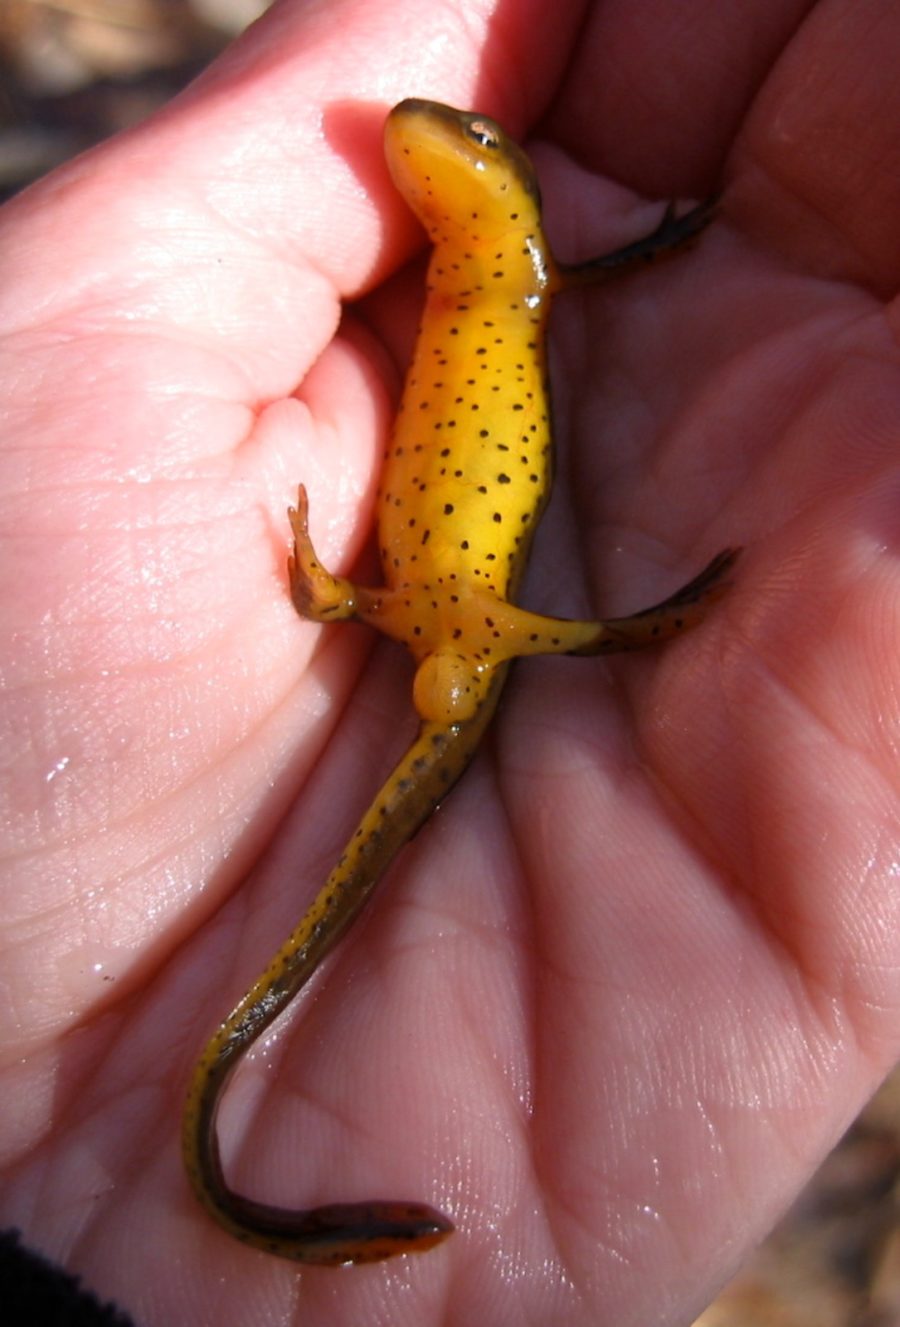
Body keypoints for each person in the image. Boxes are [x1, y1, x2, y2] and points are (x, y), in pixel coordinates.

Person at [2, 1, 898, 1323]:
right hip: (447, 593)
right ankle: (206, 1164)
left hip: (448, 597)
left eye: (474, 141)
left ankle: (205, 1159)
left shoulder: (524, 273)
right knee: (466, 635)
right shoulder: (484, 283)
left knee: (467, 636)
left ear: (514, 190)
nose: (430, 147)